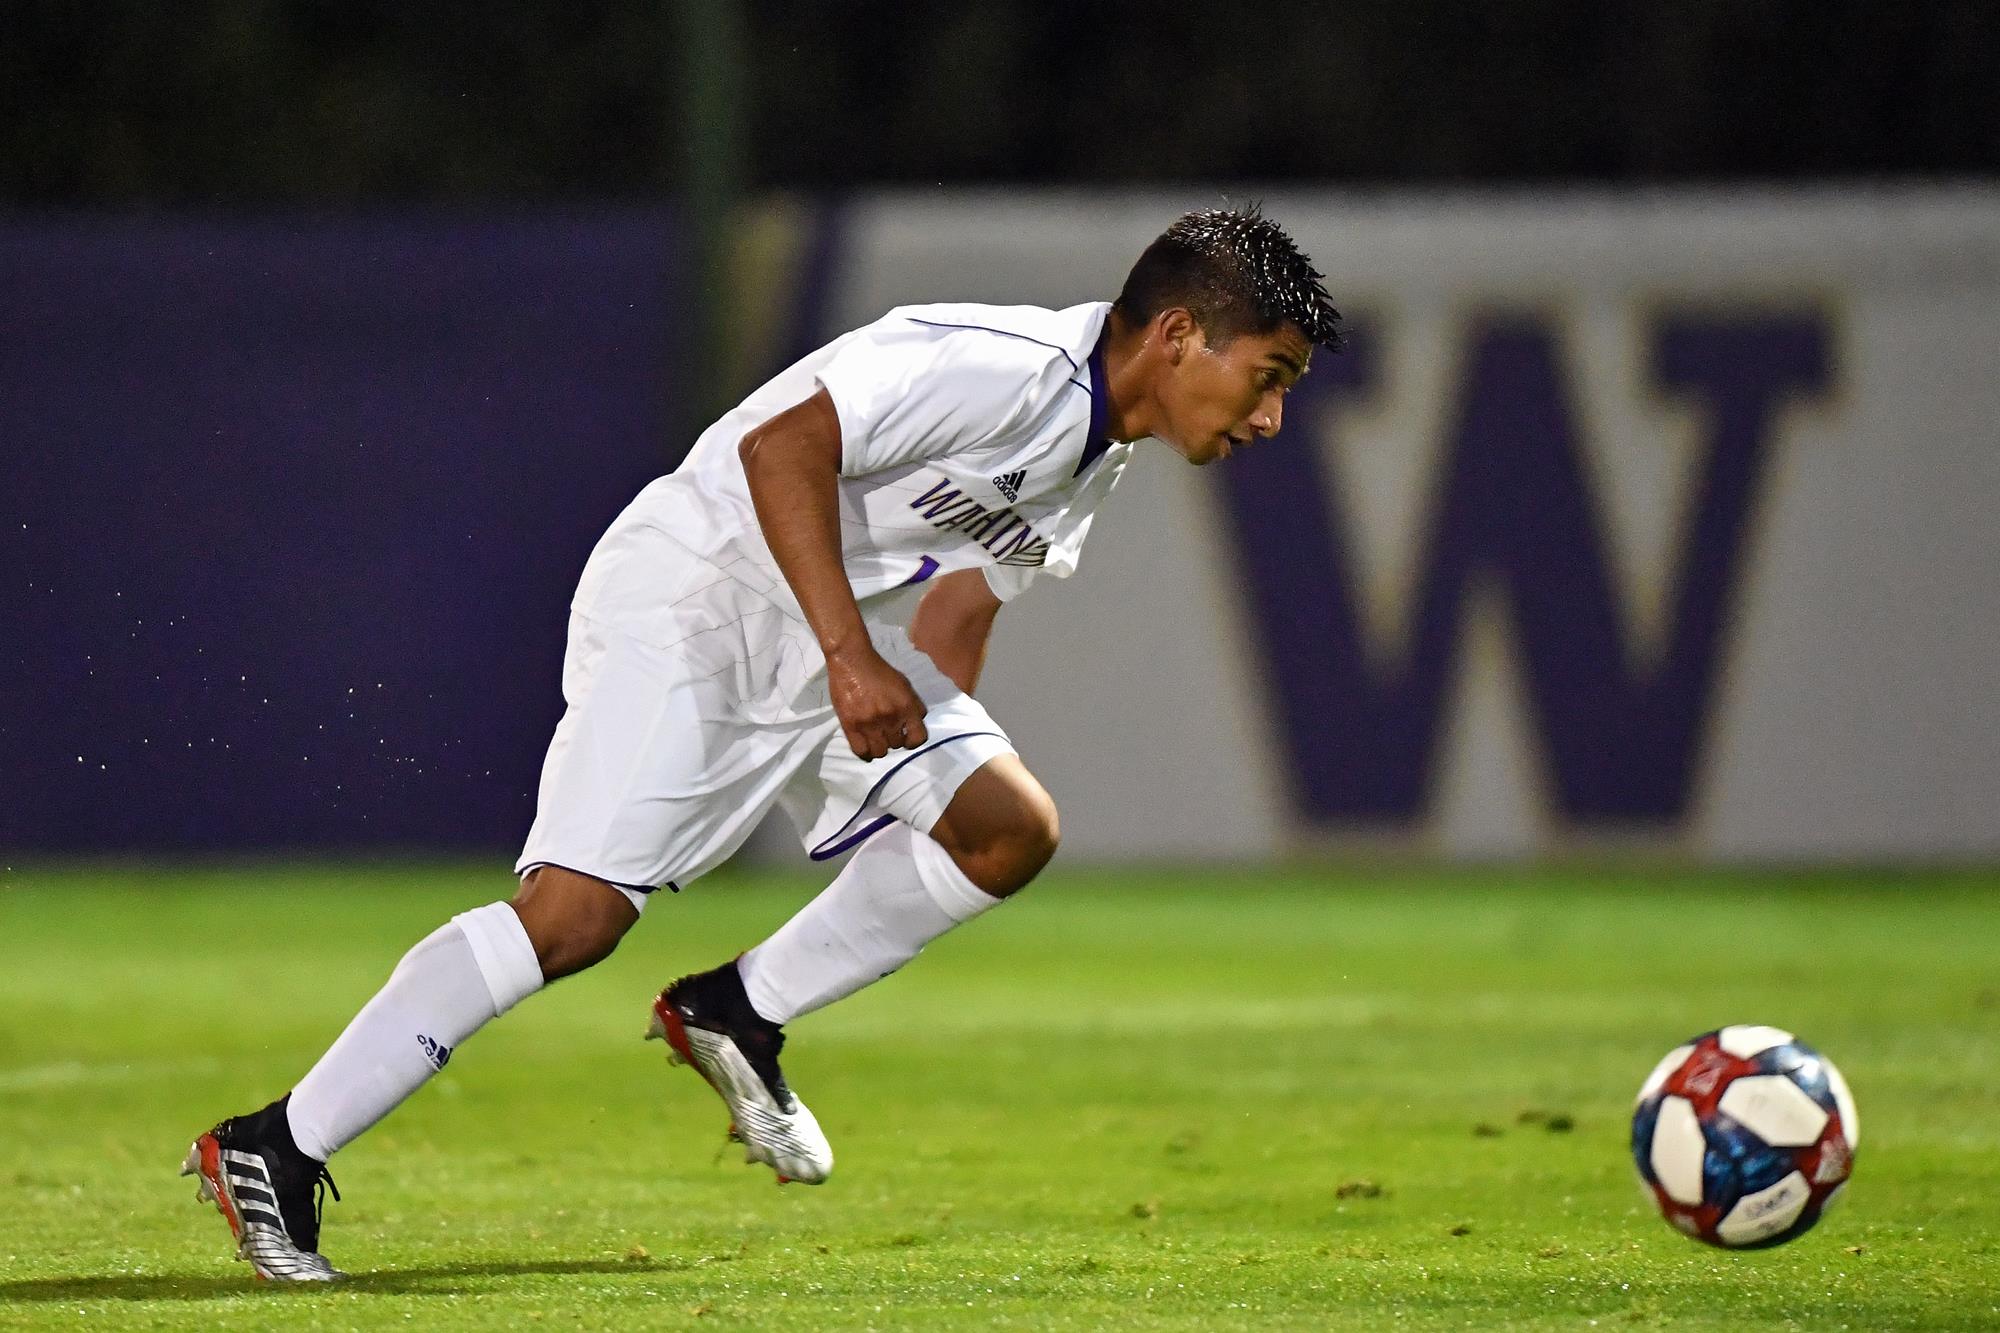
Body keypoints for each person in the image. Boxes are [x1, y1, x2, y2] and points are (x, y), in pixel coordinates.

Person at [181, 205, 1343, 1280]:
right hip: (701, 600)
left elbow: (960, 596)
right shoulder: (999, 366)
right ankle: (273, 1146)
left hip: (823, 637)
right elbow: (781, 449)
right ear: (1181, 334)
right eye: (1269, 376)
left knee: (1003, 828)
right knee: (574, 919)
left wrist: (921, 732)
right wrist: (850, 657)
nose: (1269, 415)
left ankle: (736, 1010)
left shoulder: (1098, 452)